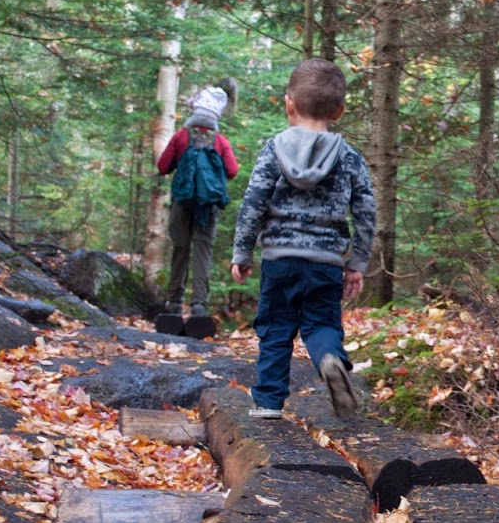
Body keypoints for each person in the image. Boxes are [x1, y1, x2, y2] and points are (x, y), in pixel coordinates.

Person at [230, 58, 375, 420]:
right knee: (322, 324)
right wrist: (357, 263)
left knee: (276, 327)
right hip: (326, 262)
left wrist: (242, 251)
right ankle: (329, 359)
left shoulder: (273, 149)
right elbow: (366, 211)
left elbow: (254, 202)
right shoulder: (349, 157)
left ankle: (267, 403)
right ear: (339, 111)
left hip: (280, 258)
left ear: (288, 104)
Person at [157, 86, 240, 320]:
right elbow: (232, 171)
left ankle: (174, 303)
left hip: (182, 203)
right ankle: (199, 306)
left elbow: (163, 166)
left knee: (180, 249)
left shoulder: (181, 136)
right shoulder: (220, 140)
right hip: (209, 206)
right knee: (203, 252)